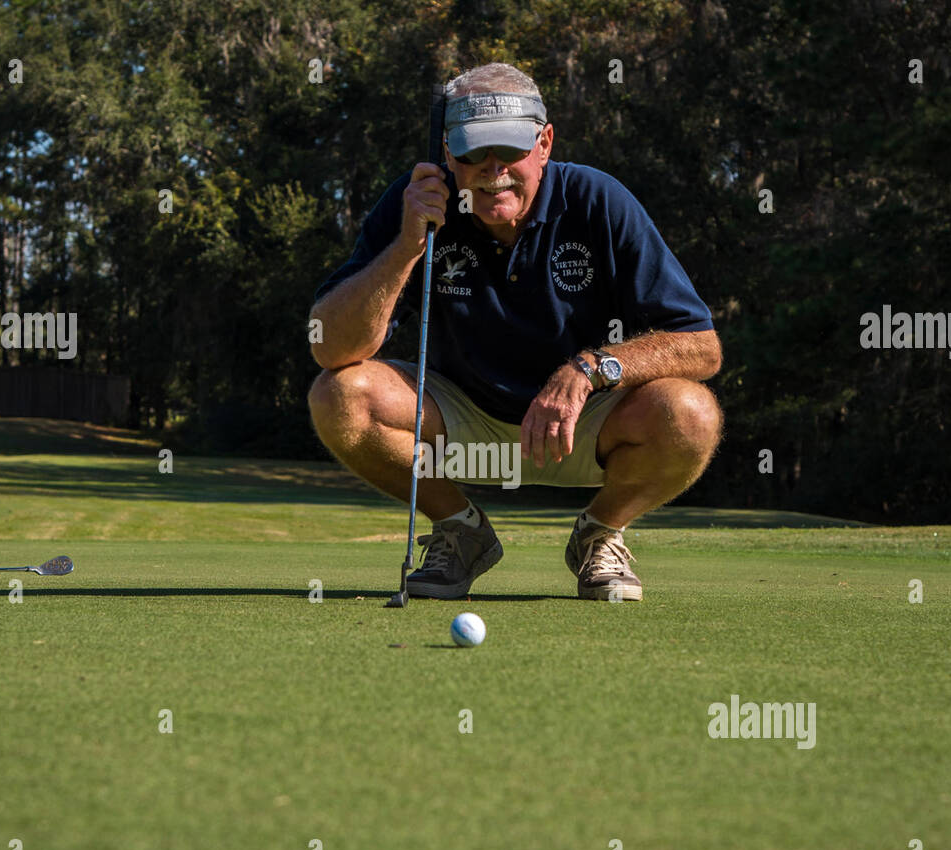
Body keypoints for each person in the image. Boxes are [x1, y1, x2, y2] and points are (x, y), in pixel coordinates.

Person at [308, 62, 722, 601]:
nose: (492, 169)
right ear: (448, 155)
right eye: (472, 153)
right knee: (339, 395)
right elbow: (330, 346)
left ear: (544, 143)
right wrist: (408, 244)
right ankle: (460, 529)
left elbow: (701, 345)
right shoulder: (415, 202)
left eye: (509, 150)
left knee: (691, 413)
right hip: (465, 426)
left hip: (583, 429)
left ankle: (600, 533)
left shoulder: (599, 199)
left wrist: (589, 370)